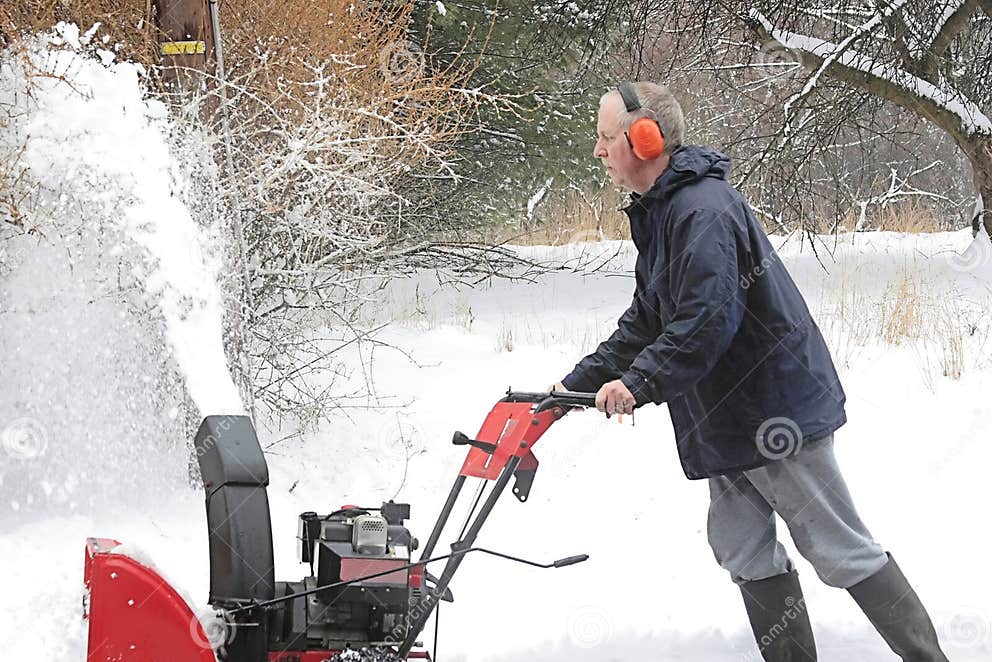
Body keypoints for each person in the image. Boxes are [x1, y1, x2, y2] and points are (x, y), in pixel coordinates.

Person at [551, 81, 949, 661]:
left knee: (839, 548)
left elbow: (706, 318)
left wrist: (638, 383)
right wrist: (577, 383)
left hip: (773, 410)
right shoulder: (665, 212)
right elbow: (647, 319)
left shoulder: (700, 212)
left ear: (645, 140)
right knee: (742, 548)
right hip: (728, 417)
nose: (598, 151)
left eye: (606, 138)